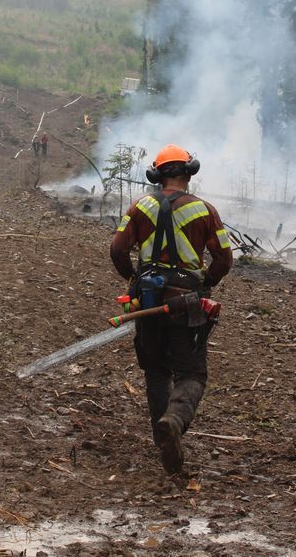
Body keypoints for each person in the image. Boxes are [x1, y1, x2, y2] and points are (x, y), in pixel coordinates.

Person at [109, 144, 233, 474]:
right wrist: (205, 281)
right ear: (189, 173)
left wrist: (134, 279)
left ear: (156, 175)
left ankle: (162, 437)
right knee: (192, 373)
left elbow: (118, 250)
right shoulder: (205, 211)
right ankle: (175, 420)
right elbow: (224, 259)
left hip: (147, 302)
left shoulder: (140, 207)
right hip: (186, 304)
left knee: (156, 372)